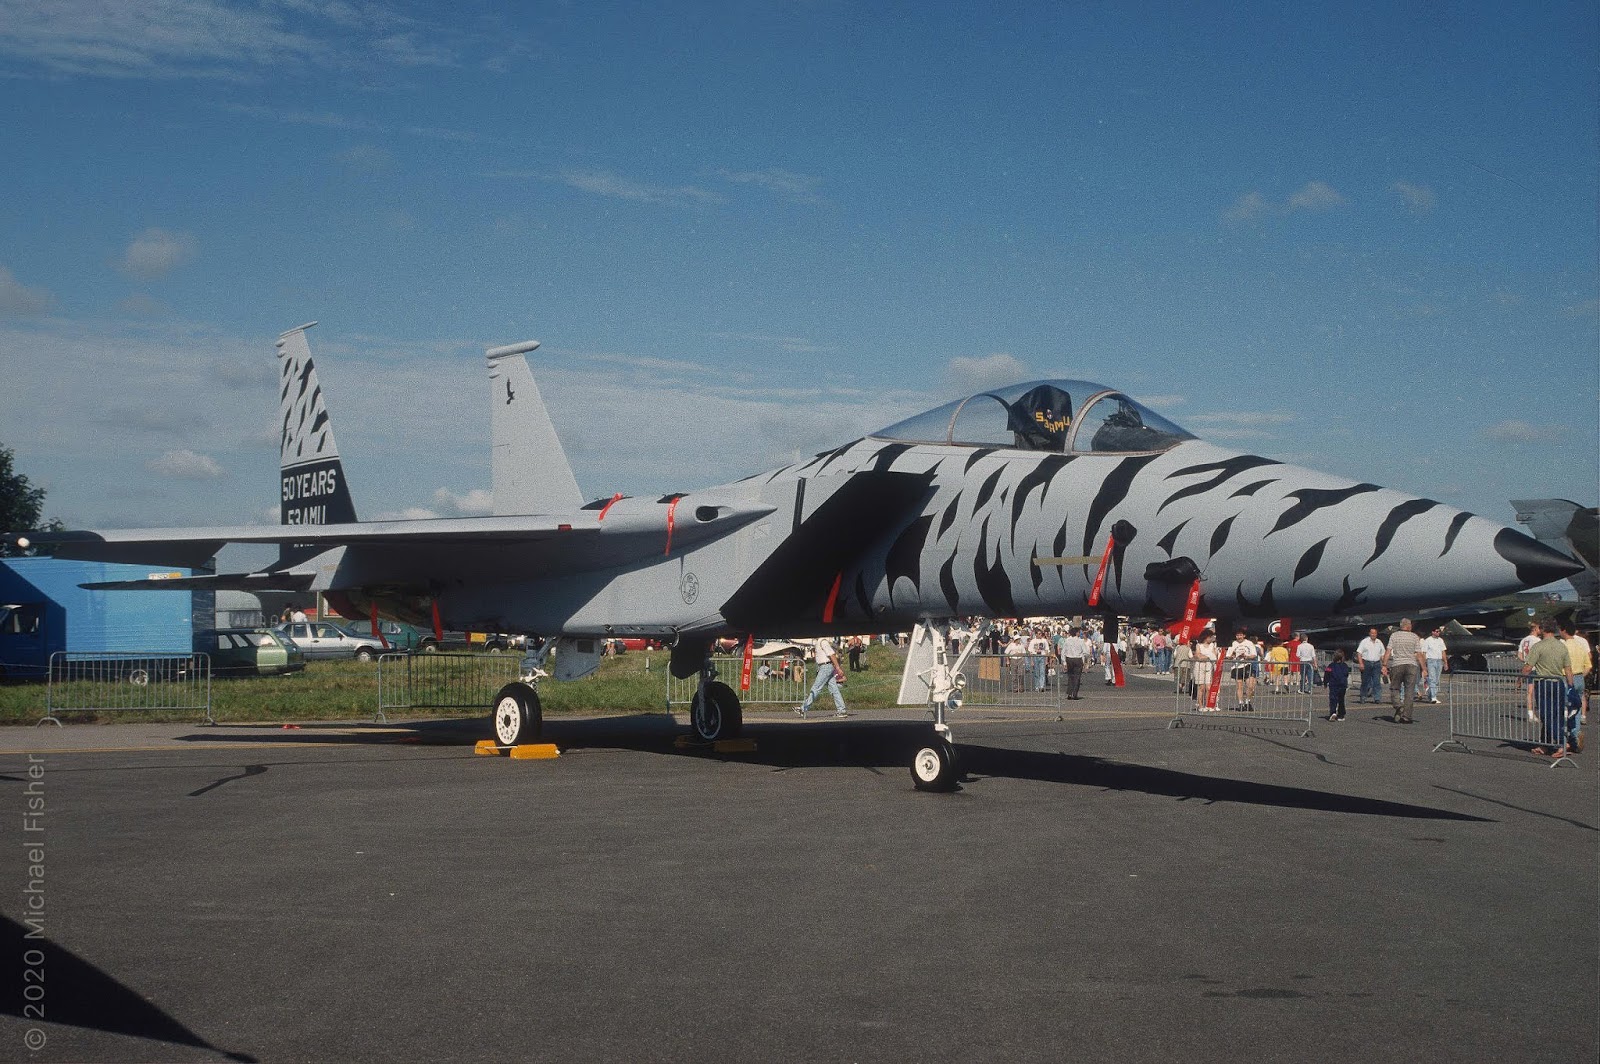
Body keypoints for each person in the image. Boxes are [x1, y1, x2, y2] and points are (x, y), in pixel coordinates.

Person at [1522, 626, 1574, 758]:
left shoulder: (1539, 646)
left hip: (1544, 683)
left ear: (1543, 630)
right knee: (1556, 714)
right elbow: (1568, 669)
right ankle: (1545, 744)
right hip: (1559, 683)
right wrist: (1571, 686)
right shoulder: (1561, 646)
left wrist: (1519, 678)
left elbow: (1528, 667)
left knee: (1546, 715)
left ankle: (1562, 742)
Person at [1382, 618, 1426, 724]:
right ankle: (1407, 716)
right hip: (1412, 665)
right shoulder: (1414, 637)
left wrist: (1384, 665)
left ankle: (1398, 706)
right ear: (1408, 626)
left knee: (1394, 688)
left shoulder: (1394, 635)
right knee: (1409, 691)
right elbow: (1419, 654)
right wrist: (1424, 668)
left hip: (1397, 664)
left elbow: (1388, 651)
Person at [794, 637, 848, 718]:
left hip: (826, 666)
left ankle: (803, 708)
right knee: (834, 689)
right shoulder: (818, 642)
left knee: (816, 687)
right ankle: (842, 710)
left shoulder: (823, 642)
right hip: (824, 666)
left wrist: (838, 668)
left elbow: (832, 655)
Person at [1559, 621, 1590, 752]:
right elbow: (1588, 665)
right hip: (1579, 677)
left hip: (1566, 678)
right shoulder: (1580, 646)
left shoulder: (1563, 646)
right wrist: (1580, 676)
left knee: (1563, 709)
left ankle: (1565, 739)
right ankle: (1576, 734)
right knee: (1576, 708)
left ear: (1564, 630)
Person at [1226, 629, 1259, 710]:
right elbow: (1228, 656)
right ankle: (1240, 703)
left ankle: (1248, 701)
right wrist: (1232, 656)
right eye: (1237, 635)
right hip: (1236, 666)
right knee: (1239, 686)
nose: (1239, 637)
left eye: (1240, 635)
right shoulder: (1233, 643)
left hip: (1247, 665)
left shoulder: (1249, 643)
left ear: (1244, 635)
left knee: (1250, 686)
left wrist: (1246, 656)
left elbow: (1254, 655)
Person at [1355, 627, 1385, 703]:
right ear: (1369, 633)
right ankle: (1363, 697)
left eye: (1375, 633)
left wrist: (1384, 665)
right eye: (1372, 633)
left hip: (1377, 664)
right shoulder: (1364, 641)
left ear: (1376, 634)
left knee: (1377, 682)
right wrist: (1361, 663)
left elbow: (1382, 654)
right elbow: (1359, 653)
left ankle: (1377, 698)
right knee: (1365, 682)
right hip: (1367, 663)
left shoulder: (1379, 642)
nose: (1373, 635)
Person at [1418, 627, 1448, 704]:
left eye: (1439, 631)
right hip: (1431, 660)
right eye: (1436, 631)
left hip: (1439, 660)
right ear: (1433, 632)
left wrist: (1445, 662)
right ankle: (1433, 697)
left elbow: (1443, 651)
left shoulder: (1441, 640)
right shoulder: (1427, 640)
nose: (1438, 633)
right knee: (1432, 679)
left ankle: (1430, 694)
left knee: (1437, 680)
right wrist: (1424, 665)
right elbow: (1424, 653)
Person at [1192, 630, 1219, 711]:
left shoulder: (1212, 645)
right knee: (1201, 687)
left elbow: (1214, 656)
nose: (1211, 639)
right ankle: (1200, 705)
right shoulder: (1199, 645)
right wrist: (1207, 656)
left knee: (1208, 687)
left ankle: (1208, 704)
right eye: (1210, 637)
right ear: (1206, 637)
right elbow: (1198, 655)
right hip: (1200, 667)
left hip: (1209, 667)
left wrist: (1205, 656)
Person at [1059, 626, 1088, 700]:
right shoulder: (1081, 641)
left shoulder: (1067, 640)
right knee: (1077, 677)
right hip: (1078, 659)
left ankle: (1069, 693)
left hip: (1069, 659)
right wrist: (1084, 661)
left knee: (1070, 676)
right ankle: (1074, 694)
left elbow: (1063, 652)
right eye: (1079, 632)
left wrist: (1064, 663)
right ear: (1077, 633)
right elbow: (1086, 652)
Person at [1324, 650, 1351, 721]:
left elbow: (1326, 674)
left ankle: (1333, 712)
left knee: (1333, 699)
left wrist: (1325, 682)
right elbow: (1346, 674)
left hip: (1333, 685)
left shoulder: (1330, 666)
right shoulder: (1345, 666)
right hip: (1342, 685)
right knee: (1341, 700)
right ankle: (1341, 715)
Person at [1027, 627, 1053, 691]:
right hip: (1035, 656)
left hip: (1042, 656)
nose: (1040, 635)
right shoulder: (1033, 641)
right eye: (1039, 634)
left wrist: (1046, 660)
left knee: (1042, 672)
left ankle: (1041, 686)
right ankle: (1037, 686)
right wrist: (1032, 661)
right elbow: (1030, 651)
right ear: (1036, 634)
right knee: (1036, 672)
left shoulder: (1044, 640)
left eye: (1041, 634)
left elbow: (1047, 650)